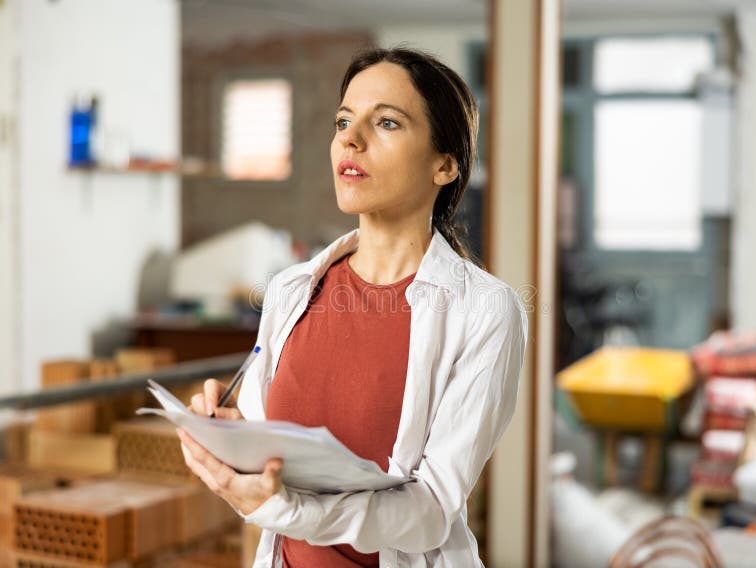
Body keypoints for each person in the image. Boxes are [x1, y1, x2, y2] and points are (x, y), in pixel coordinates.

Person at [178, 46, 528, 568]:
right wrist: (228, 435)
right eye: (344, 120)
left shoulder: (486, 311)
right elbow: (271, 468)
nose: (350, 137)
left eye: (386, 122)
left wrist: (285, 507)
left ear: (445, 164)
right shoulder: (291, 290)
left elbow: (430, 510)